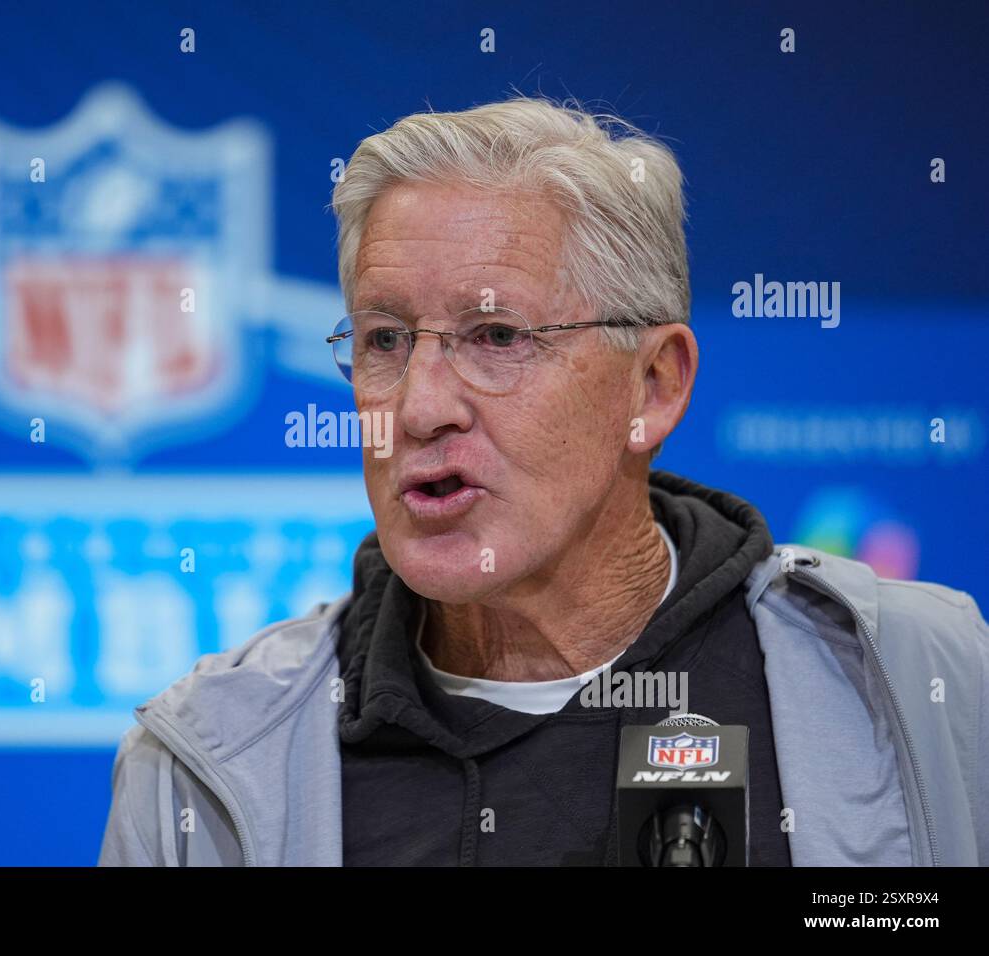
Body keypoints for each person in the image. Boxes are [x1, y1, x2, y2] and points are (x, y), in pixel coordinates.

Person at [97, 95, 989, 866]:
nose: (418, 409)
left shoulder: (918, 679)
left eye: (496, 338)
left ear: (654, 385)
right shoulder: (201, 762)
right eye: (384, 340)